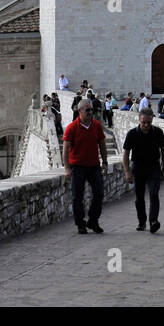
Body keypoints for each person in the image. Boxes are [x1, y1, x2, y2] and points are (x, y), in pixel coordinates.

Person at [63, 99, 109, 234]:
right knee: (77, 196)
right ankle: (80, 223)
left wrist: (105, 162)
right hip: (77, 166)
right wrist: (66, 168)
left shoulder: (96, 125)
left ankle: (93, 220)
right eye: (87, 110)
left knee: (99, 193)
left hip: (94, 165)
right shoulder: (72, 128)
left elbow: (102, 144)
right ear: (80, 111)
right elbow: (65, 149)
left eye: (91, 109)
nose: (90, 112)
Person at [122, 107, 164, 233]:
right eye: (144, 123)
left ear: (152, 120)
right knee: (139, 197)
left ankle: (153, 221)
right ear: (139, 121)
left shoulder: (158, 132)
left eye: (149, 122)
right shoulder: (132, 134)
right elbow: (126, 153)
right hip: (138, 168)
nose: (146, 125)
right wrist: (127, 172)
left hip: (154, 168)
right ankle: (142, 221)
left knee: (154, 194)